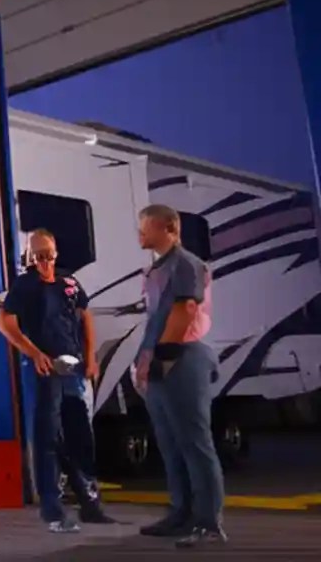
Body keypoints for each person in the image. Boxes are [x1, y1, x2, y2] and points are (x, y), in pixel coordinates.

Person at [0, 229, 116, 533]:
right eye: (38, 256)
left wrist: (91, 358)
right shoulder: (24, 286)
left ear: (56, 253)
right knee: (46, 439)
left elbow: (85, 316)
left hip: (75, 369)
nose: (44, 261)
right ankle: (52, 510)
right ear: (30, 257)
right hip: (45, 371)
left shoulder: (70, 283)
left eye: (48, 255)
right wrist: (34, 353)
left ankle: (91, 504)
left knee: (80, 437)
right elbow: (5, 322)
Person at [133, 204, 227, 548]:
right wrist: (144, 362)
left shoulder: (185, 264)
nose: (139, 233)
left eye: (145, 227)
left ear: (169, 228)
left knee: (195, 443)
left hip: (183, 359)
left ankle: (208, 523)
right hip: (162, 359)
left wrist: (164, 358)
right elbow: (155, 320)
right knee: (171, 444)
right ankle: (181, 513)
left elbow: (185, 311)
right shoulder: (157, 268)